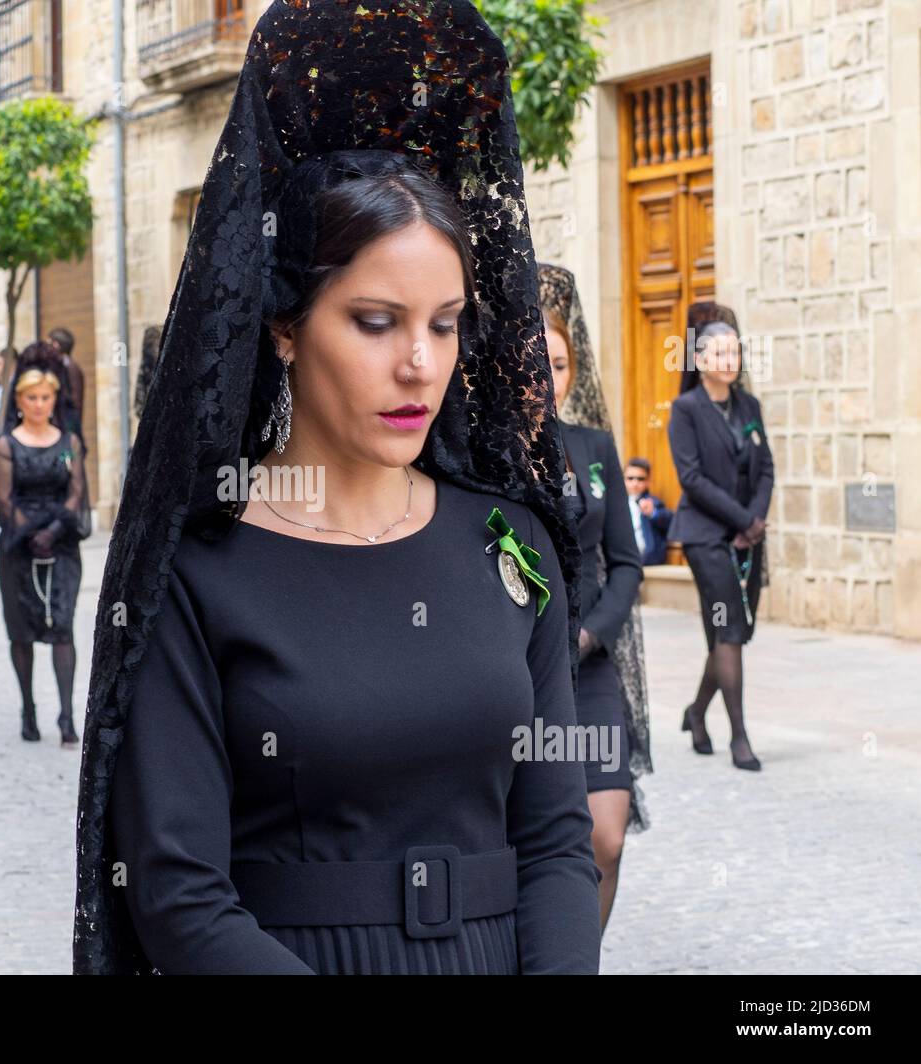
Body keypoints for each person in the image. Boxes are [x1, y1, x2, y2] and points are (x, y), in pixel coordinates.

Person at [73, 1, 599, 975]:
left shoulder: (508, 545)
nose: (418, 363)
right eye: (373, 320)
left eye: (443, 323)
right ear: (281, 327)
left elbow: (558, 842)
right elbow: (179, 893)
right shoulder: (196, 575)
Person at [539, 262, 648, 932]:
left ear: (571, 370)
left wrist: (591, 635)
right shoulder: (491, 452)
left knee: (605, 837)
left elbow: (629, 563)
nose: (546, 378)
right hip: (519, 670)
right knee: (541, 840)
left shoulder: (596, 449)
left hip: (592, 665)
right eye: (533, 363)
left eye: (556, 364)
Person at [669, 302, 774, 772]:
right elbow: (692, 479)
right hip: (705, 536)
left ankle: (695, 713)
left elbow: (766, 467)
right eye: (718, 353)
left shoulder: (749, 405)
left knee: (734, 632)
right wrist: (740, 520)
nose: (729, 361)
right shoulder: (685, 410)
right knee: (729, 627)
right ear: (699, 359)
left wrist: (755, 521)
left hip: (748, 535)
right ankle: (741, 738)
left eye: (735, 352)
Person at [0, 359, 89, 743]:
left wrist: (53, 530)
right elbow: (3, 497)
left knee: (62, 626)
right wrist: (30, 532)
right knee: (22, 630)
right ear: (19, 400)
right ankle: (28, 709)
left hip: (61, 542)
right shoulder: (6, 445)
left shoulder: (70, 443)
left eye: (45, 397)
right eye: (32, 397)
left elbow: (77, 490)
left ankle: (67, 716)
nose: (38, 404)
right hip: (19, 544)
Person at [624, 457, 673, 566]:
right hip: (624, 558)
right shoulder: (618, 503)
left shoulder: (654, 503)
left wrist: (653, 513)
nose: (635, 483)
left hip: (648, 560)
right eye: (630, 478)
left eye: (640, 479)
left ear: (648, 481)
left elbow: (669, 520)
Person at [47, 327, 84, 442]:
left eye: (49, 344)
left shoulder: (69, 366)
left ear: (56, 345)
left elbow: (75, 400)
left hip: (67, 423)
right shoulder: (58, 365)